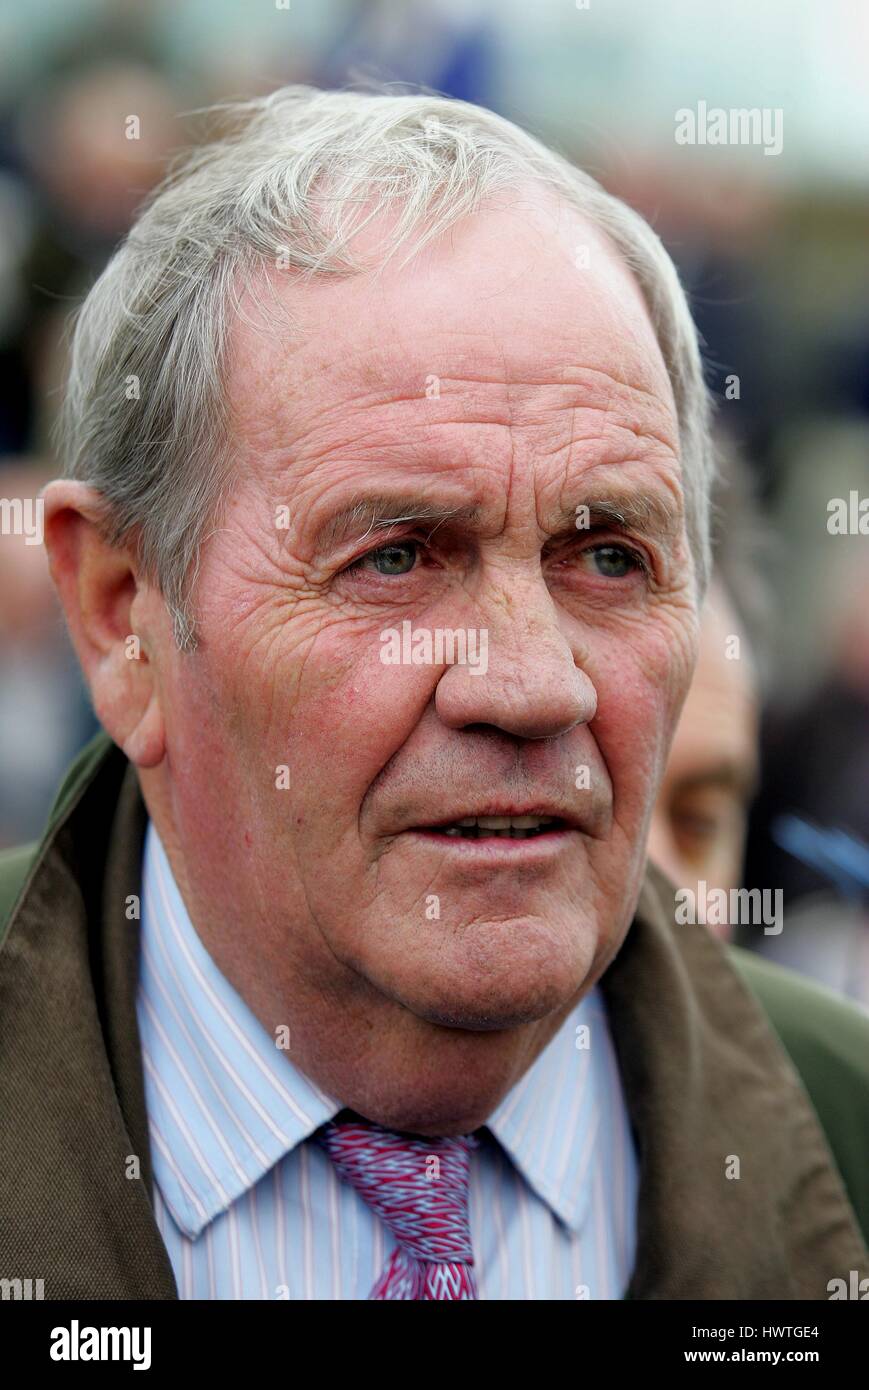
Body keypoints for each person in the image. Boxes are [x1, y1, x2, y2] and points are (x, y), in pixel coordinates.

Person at [1, 86, 867, 1301]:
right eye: (396, 556)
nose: (526, 684)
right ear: (119, 613)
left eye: (608, 554)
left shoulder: (844, 1128)